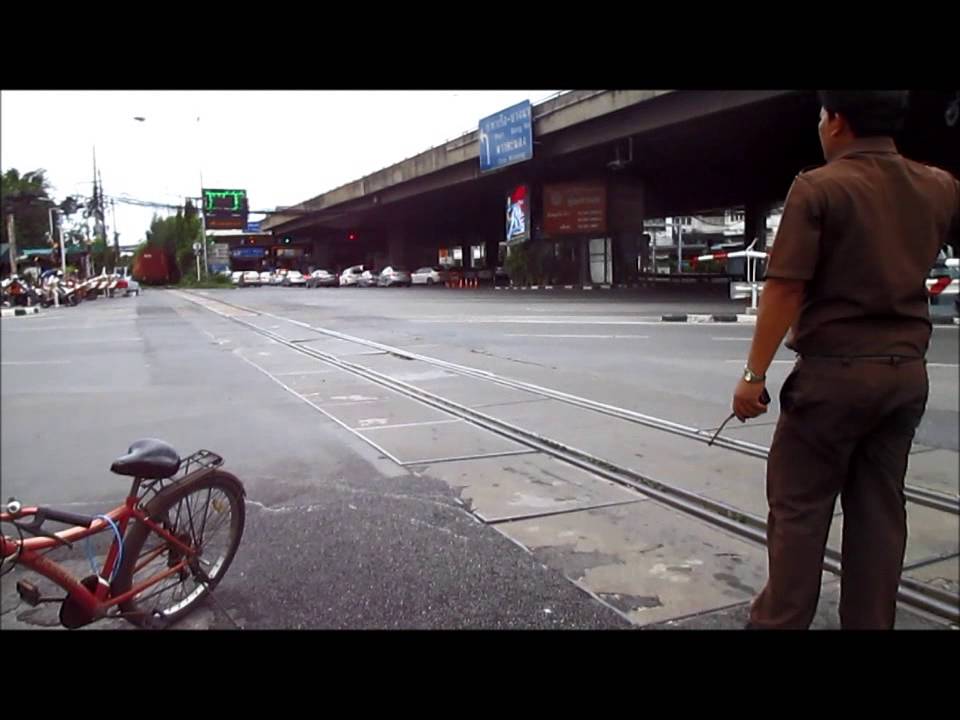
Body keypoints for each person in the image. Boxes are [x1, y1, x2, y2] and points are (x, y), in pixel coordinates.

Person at [731, 91, 960, 629]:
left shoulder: (817, 187)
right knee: (880, 514)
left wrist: (752, 377)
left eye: (820, 116)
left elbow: (785, 289)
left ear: (837, 122)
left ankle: (779, 623)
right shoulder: (941, 187)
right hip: (905, 377)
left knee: (799, 513)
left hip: (832, 379)